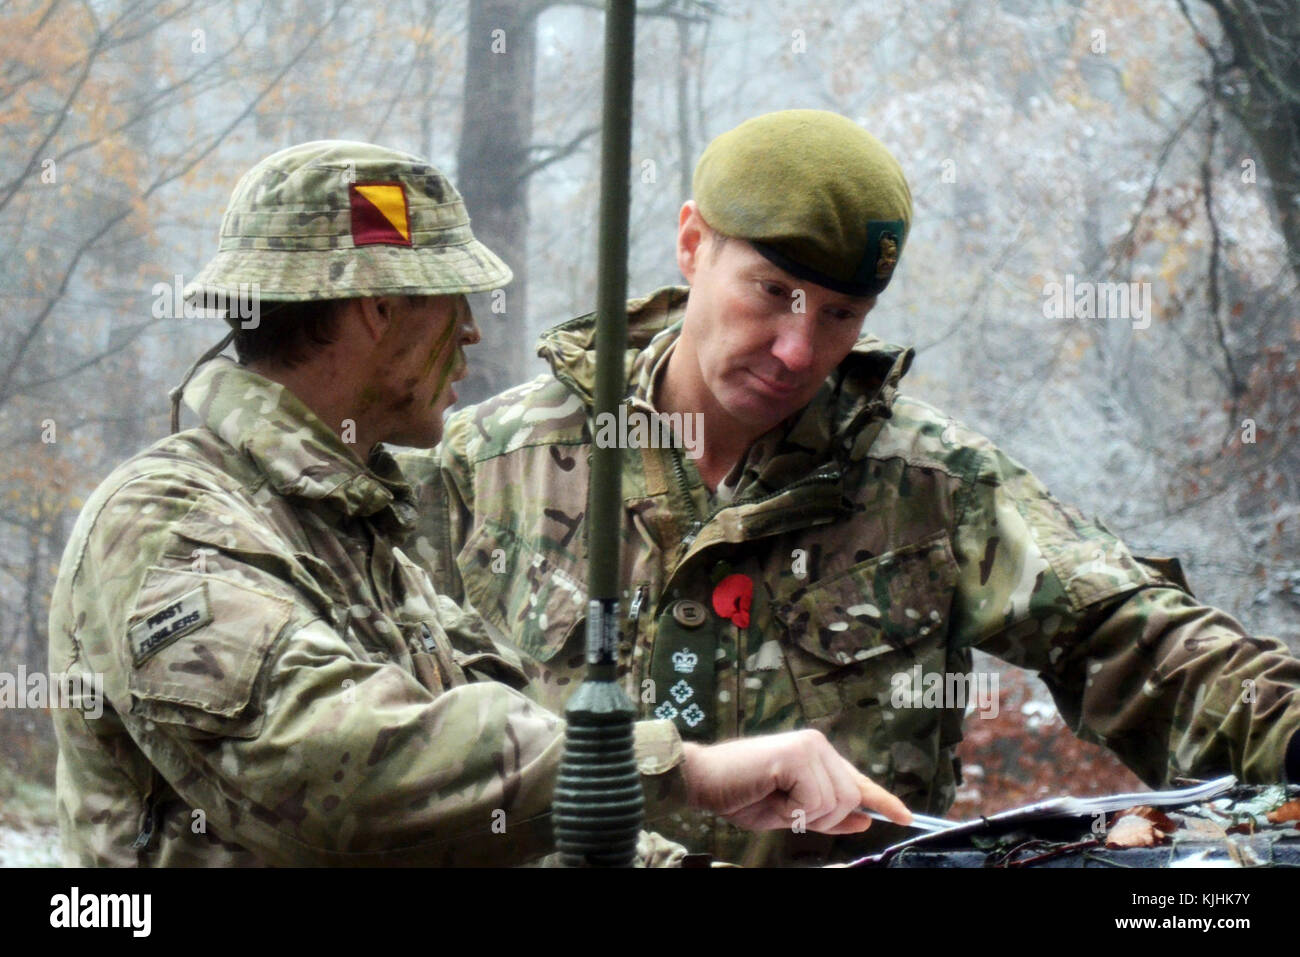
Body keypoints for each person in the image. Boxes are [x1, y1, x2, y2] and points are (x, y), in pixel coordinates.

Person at [405, 110, 1300, 866]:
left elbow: (1131, 637)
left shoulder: (926, 483)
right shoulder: (492, 466)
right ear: (691, 244)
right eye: (773, 292)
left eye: (840, 316)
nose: (798, 351)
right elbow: (397, 733)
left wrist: (1285, 731)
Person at [46, 139, 912, 867]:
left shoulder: (367, 536)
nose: (471, 332)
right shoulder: (166, 522)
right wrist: (681, 768)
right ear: (381, 309)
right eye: (452, 301)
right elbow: (330, 767)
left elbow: (508, 809)